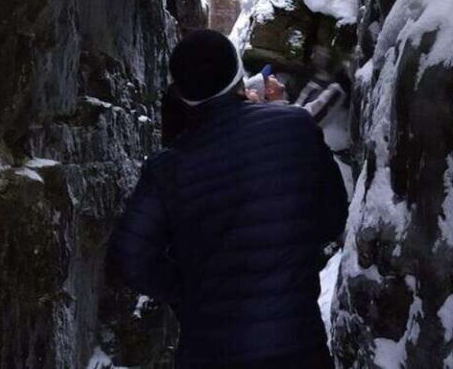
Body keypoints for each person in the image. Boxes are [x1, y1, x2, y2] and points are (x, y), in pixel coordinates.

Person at [110, 30, 348, 369]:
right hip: (297, 347)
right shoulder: (295, 127)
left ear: (182, 94)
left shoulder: (168, 168)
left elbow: (130, 257)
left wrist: (188, 291)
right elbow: (332, 218)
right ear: (239, 77)